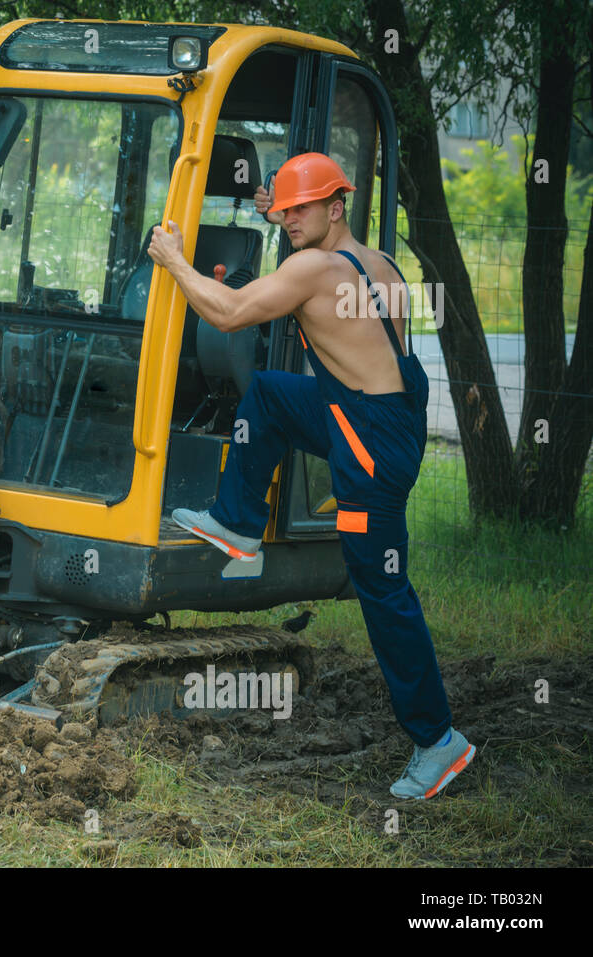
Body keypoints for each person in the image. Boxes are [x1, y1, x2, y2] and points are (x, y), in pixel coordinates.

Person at [147, 152, 475, 800]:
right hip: (381, 420)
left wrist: (175, 262)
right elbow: (347, 337)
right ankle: (237, 522)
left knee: (384, 592)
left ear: (337, 206)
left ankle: (438, 740)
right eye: (284, 210)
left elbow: (232, 312)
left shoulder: (313, 269)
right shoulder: (378, 265)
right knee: (267, 393)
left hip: (369, 451)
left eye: (302, 209)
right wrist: (283, 208)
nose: (290, 219)